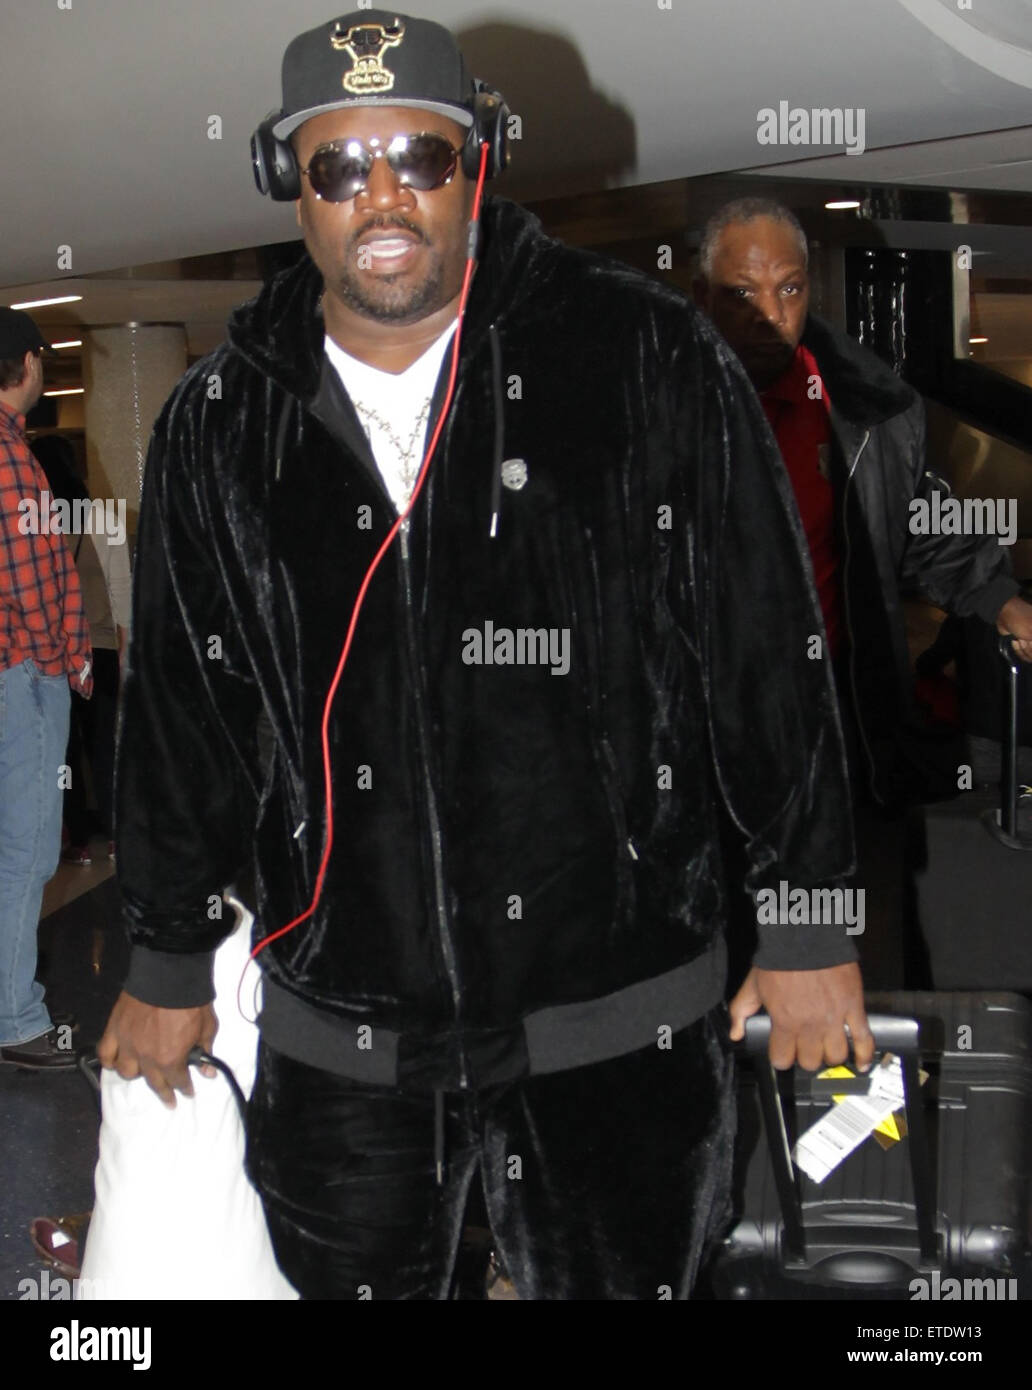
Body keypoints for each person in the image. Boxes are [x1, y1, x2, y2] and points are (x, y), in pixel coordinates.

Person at [100, 11, 872, 1300]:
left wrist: (805, 914)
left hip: (613, 1020)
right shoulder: (219, 422)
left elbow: (764, 650)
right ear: (290, 187)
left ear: (481, 162)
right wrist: (168, 950)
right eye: (338, 167)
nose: (382, 196)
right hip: (347, 1041)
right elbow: (186, 698)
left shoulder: (641, 355)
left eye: (421, 155)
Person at [694, 198, 1032, 984]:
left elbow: (919, 525)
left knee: (846, 961)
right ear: (703, 296)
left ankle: (836, 1097)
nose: (769, 315)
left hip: (837, 734)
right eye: (743, 294)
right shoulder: (651, 414)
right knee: (711, 967)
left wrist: (999, 598)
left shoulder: (869, 415)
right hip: (701, 743)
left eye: (789, 289)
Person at [0, 309, 93, 1070]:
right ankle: (14, 1017)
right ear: (28, 363)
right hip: (20, 676)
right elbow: (33, 581)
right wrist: (66, 660)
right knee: (26, 852)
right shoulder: (10, 455)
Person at [31, 434, 130, 865]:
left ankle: (74, 834)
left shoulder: (31, 519)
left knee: (64, 750)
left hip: (52, 654)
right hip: (102, 650)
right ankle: (114, 830)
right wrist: (127, 656)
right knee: (105, 744)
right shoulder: (104, 518)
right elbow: (121, 593)